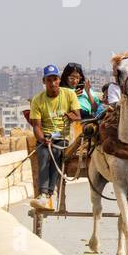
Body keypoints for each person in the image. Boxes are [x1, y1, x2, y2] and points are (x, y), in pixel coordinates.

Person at [28, 64, 80, 210]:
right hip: (46, 136)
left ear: (59, 80)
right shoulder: (38, 100)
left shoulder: (69, 95)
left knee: (56, 152)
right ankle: (44, 193)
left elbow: (78, 115)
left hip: (63, 135)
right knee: (44, 154)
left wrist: (70, 115)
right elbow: (36, 126)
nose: (53, 83)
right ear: (44, 82)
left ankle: (51, 191)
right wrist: (42, 139)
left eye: (55, 79)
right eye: (49, 80)